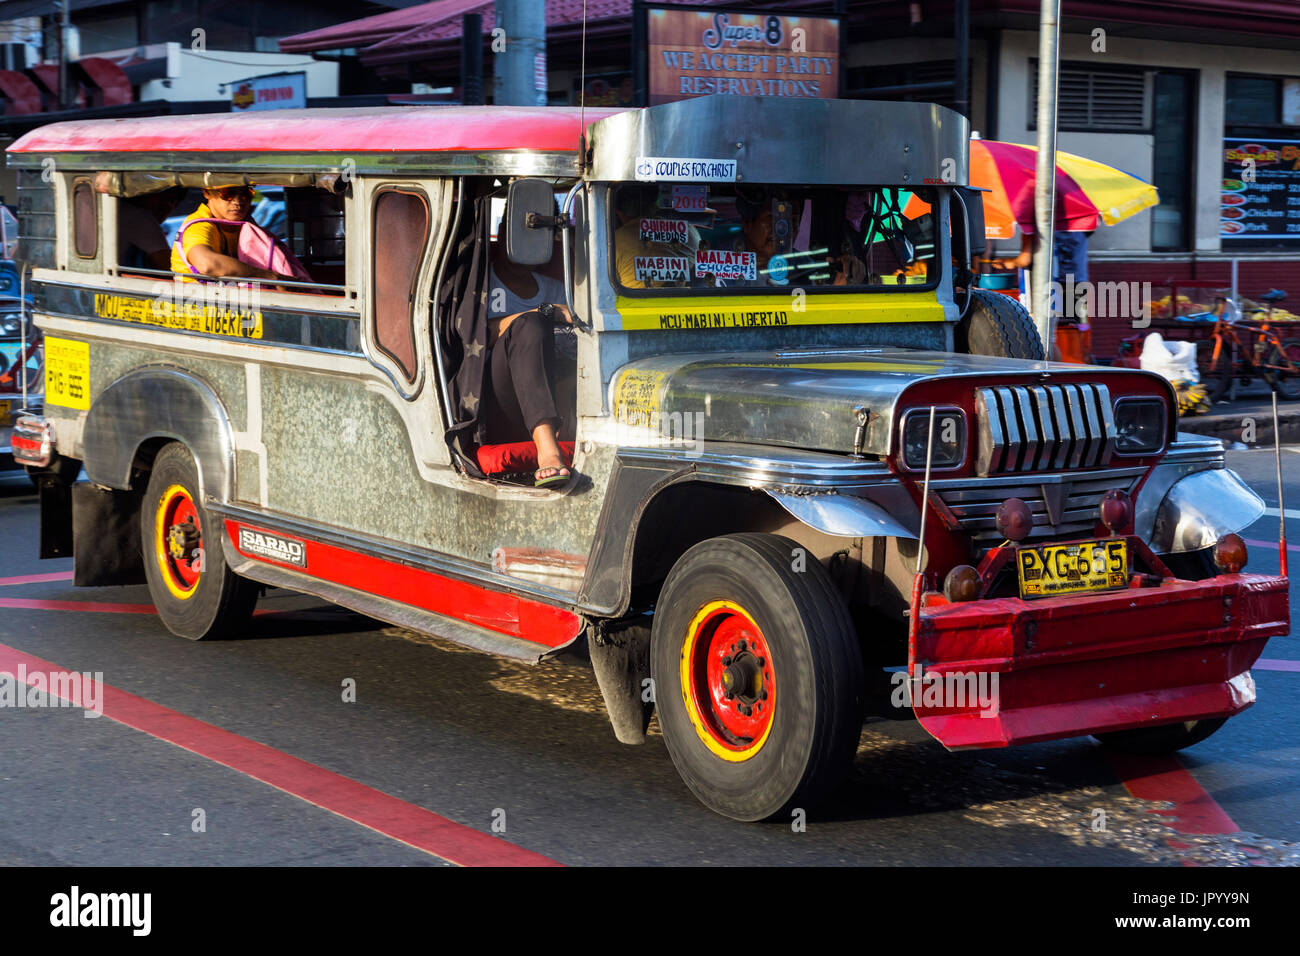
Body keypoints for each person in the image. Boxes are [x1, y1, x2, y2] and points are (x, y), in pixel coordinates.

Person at [481, 233, 574, 488]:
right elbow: (479, 334)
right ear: (503, 231)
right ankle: (547, 449)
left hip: (558, 392)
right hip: (498, 395)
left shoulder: (556, 288)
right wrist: (544, 311)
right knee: (529, 326)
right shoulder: (479, 284)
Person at [170, 183, 293, 281]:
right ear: (207, 193)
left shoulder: (245, 223)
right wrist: (270, 276)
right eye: (228, 193)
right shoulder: (199, 226)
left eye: (246, 194)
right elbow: (206, 264)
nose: (238, 202)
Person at [118, 186, 184, 270]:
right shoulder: (139, 217)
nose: (166, 207)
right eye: (160, 197)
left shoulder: (123, 210)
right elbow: (171, 268)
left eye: (172, 202)